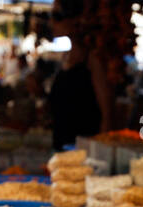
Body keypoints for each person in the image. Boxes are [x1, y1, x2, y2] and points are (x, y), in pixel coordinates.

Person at [48, 0, 111, 150]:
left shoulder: (93, 60)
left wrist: (99, 151)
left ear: (76, 19)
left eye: (57, 16)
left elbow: (107, 115)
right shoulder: (65, 57)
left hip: (84, 153)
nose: (51, 22)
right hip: (61, 149)